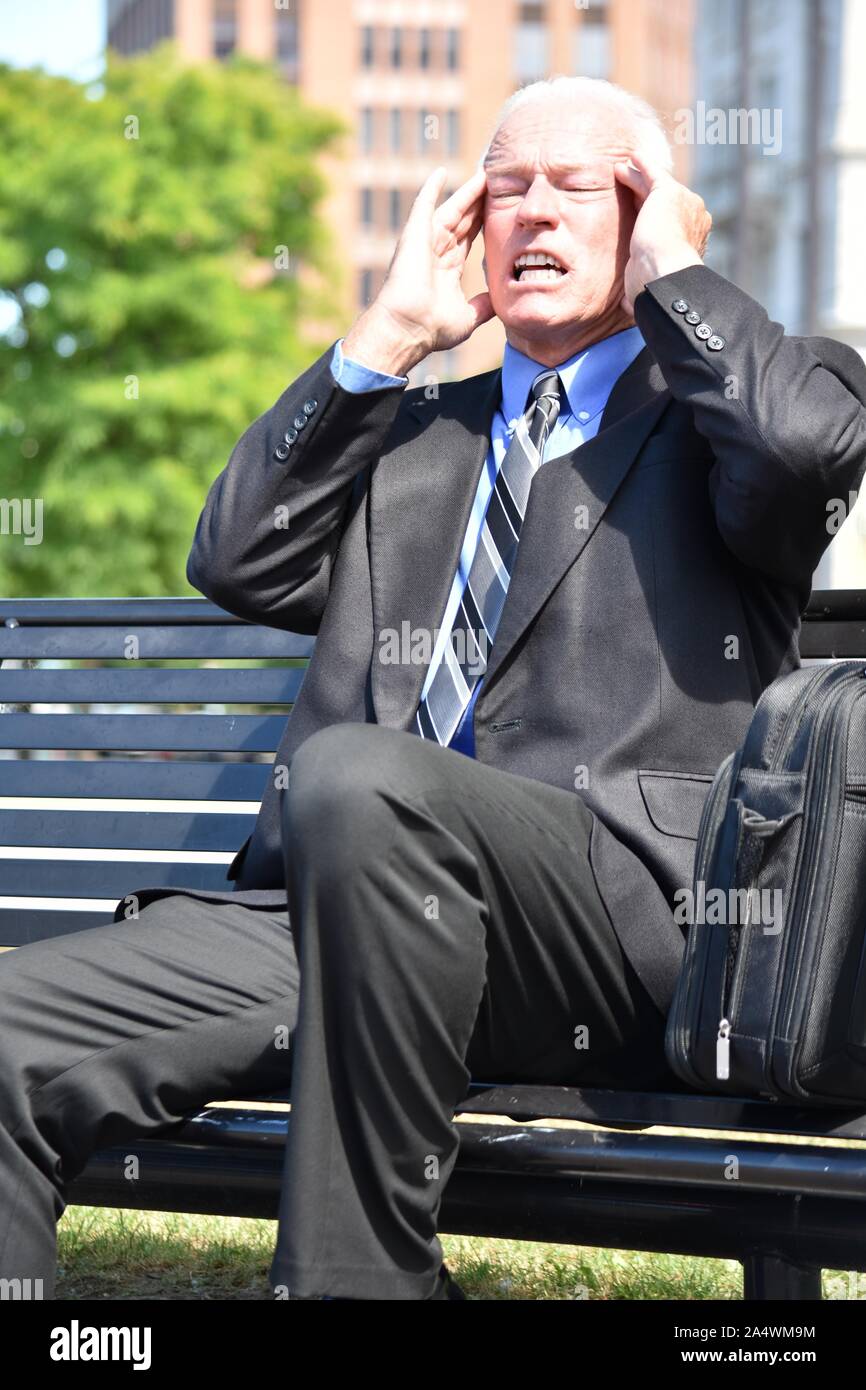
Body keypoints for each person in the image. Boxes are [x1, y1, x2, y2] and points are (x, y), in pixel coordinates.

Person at [2, 75, 865, 1302]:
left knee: (360, 779)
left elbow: (801, 450)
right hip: (343, 909)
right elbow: (236, 558)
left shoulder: (719, 424)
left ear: (651, 214)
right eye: (505, 189)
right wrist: (388, 335)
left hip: (604, 923)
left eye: (582, 187)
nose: (533, 214)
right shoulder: (412, 432)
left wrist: (672, 273)